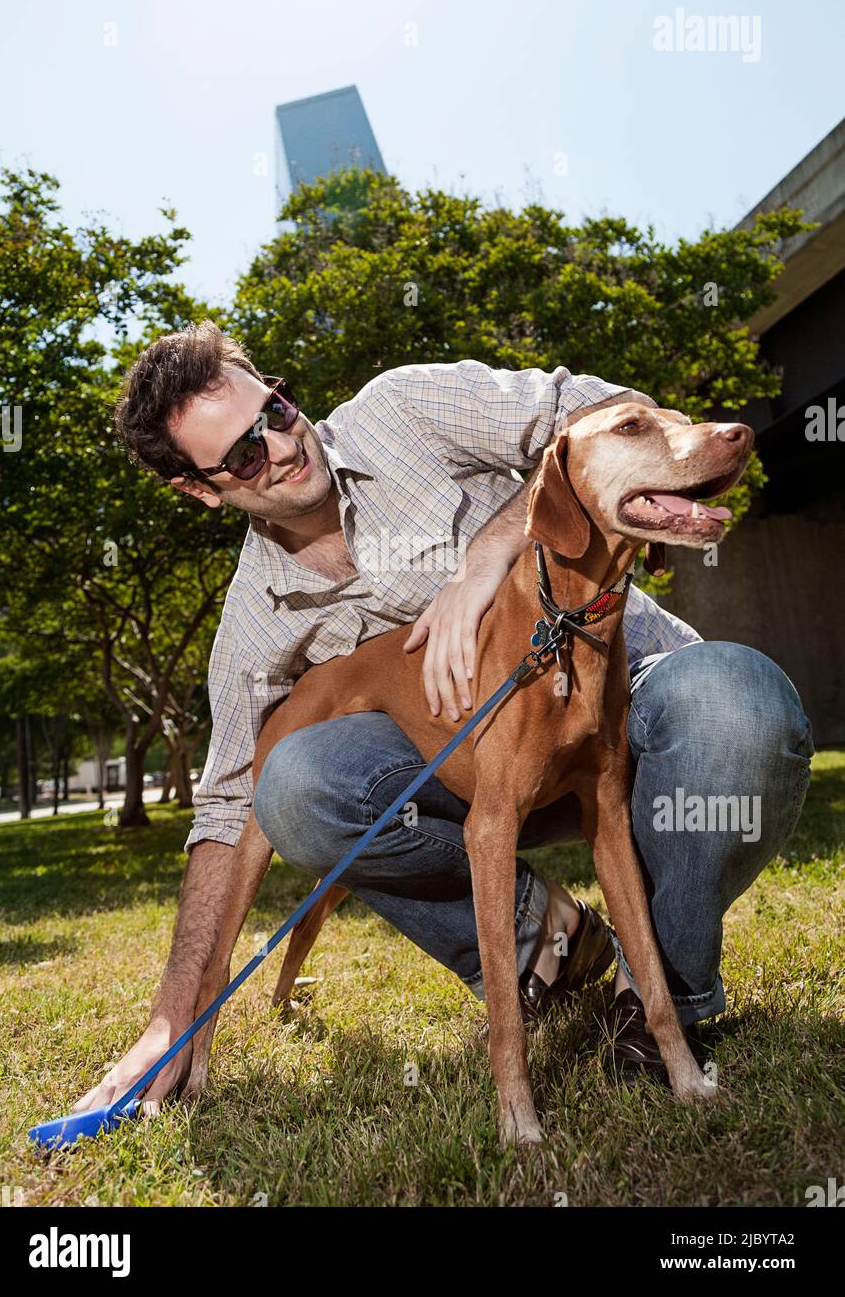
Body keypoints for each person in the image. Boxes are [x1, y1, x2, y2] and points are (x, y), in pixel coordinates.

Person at [73, 321, 813, 1116]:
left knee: (737, 701)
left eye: (278, 412)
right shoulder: (254, 619)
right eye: (248, 455)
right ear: (202, 489)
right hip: (481, 786)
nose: (285, 446)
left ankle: (662, 989)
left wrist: (487, 555)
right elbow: (225, 811)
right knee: (290, 784)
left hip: (640, 705)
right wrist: (175, 1015)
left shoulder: (402, 407)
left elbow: (598, 410)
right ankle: (548, 940)